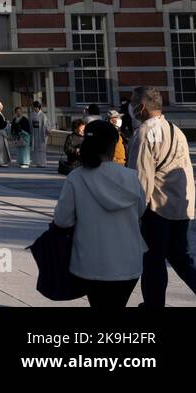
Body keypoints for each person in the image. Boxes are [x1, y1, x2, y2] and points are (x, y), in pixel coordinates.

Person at [126, 86, 196, 307]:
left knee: (152, 262)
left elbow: (140, 179)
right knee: (181, 260)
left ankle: (153, 306)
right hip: (180, 208)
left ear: (141, 107)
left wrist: (135, 213)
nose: (129, 107)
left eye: (132, 102)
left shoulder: (144, 133)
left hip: (157, 209)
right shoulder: (175, 130)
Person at [52, 120, 146, 308]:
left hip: (91, 263)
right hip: (129, 262)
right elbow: (141, 210)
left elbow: (62, 221)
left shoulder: (76, 178)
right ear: (114, 146)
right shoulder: (131, 177)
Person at [29, 101, 50, 169]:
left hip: (41, 133)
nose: (35, 108)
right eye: (34, 107)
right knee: (34, 148)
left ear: (39, 107)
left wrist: (48, 130)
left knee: (41, 149)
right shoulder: (32, 114)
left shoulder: (43, 115)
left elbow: (46, 124)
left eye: (36, 107)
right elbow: (30, 124)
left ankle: (42, 163)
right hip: (34, 132)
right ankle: (35, 162)